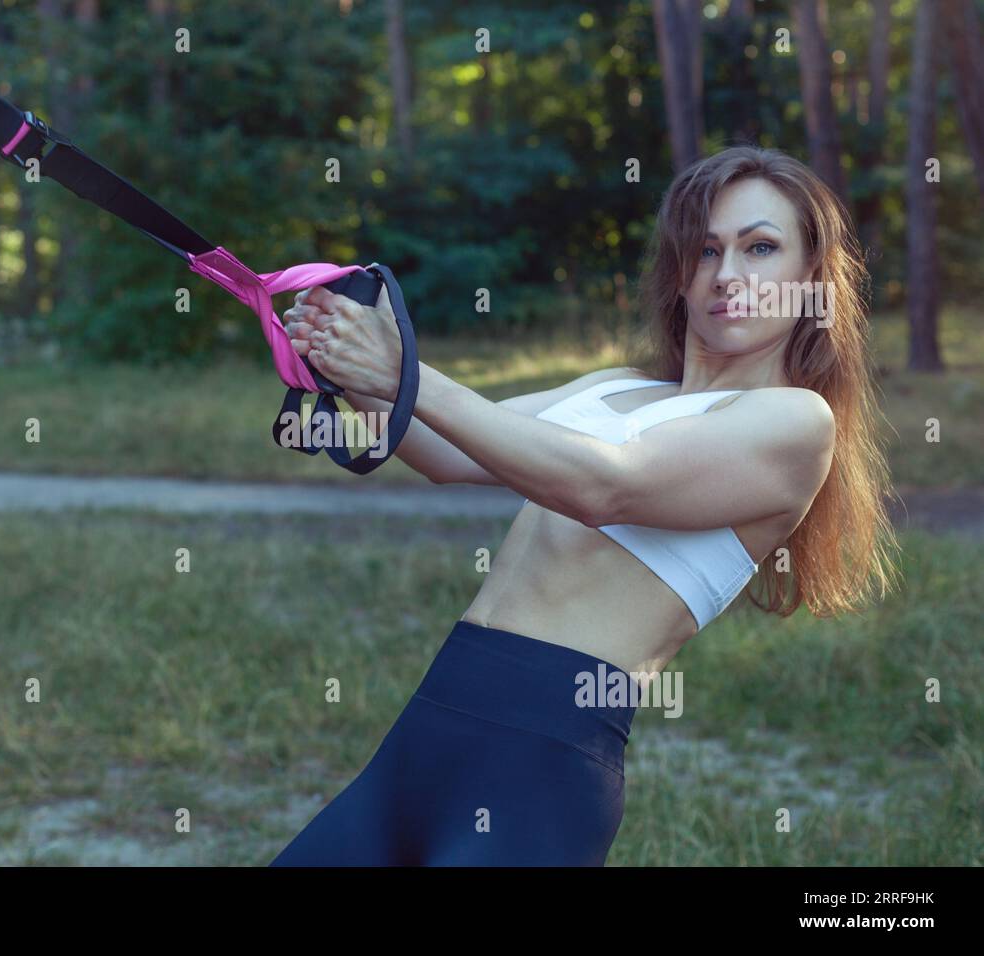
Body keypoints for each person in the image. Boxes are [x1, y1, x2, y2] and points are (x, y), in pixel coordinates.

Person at [268, 145, 901, 866]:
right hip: (429, 726)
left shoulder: (794, 422)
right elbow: (449, 452)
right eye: (705, 250)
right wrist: (337, 358)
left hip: (541, 764)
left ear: (809, 276)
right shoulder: (614, 387)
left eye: (760, 248)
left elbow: (606, 486)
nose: (728, 276)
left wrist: (400, 366)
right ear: (678, 274)